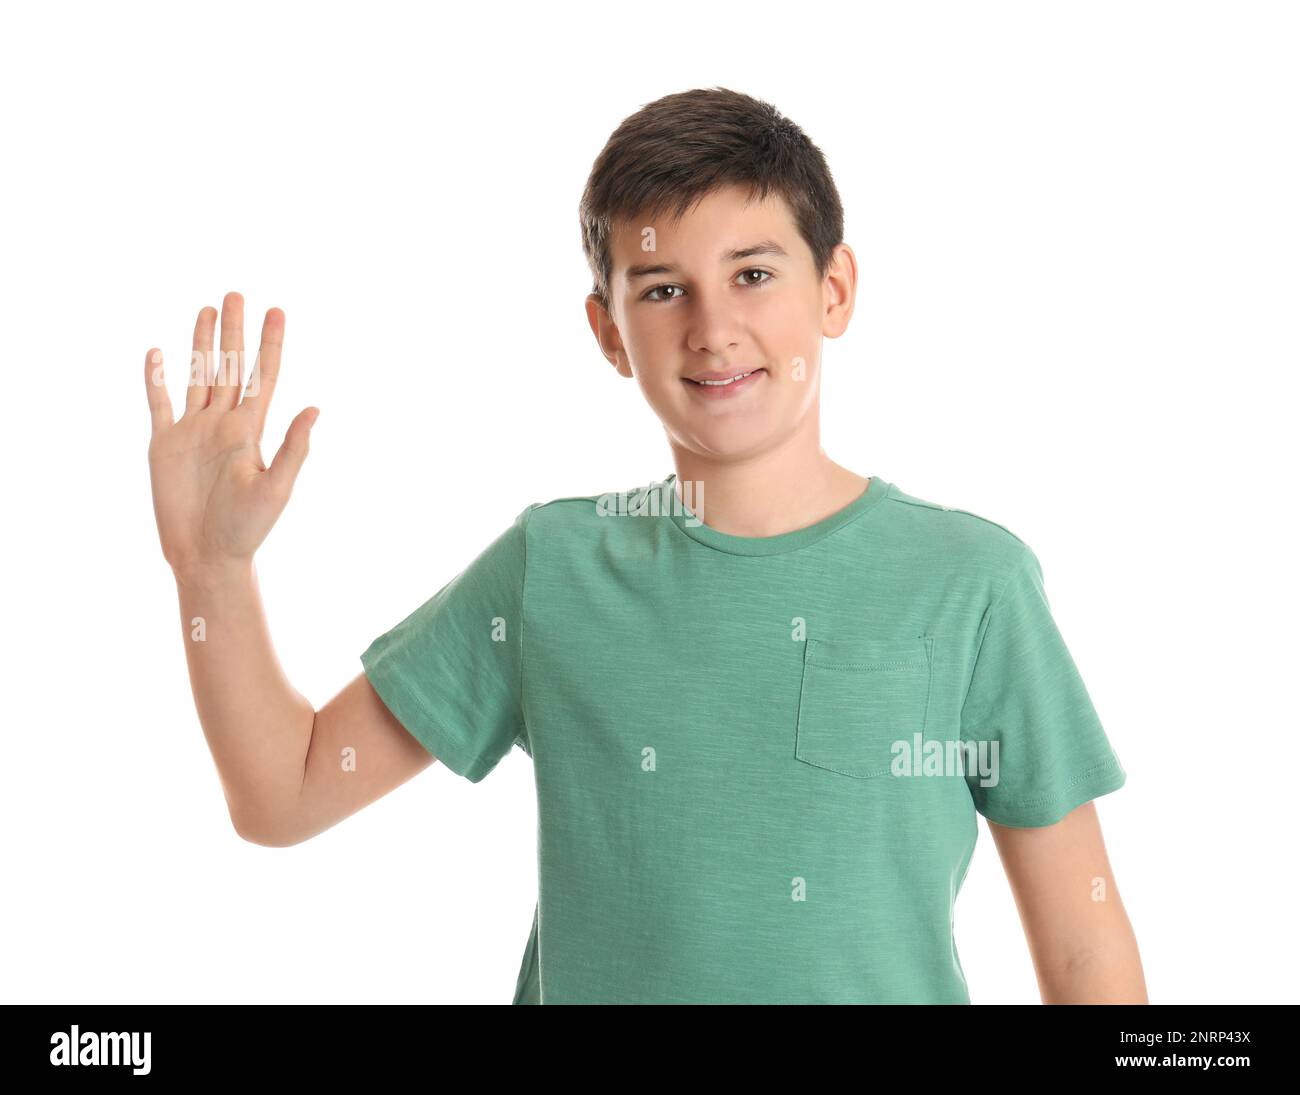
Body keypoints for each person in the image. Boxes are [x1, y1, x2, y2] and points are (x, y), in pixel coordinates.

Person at [144, 86, 1145, 1005]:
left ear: (833, 289)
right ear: (609, 332)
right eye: (663, 289)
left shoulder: (968, 583)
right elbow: (284, 794)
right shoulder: (553, 568)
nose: (714, 328)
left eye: (753, 274)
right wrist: (212, 571)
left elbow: (1083, 950)